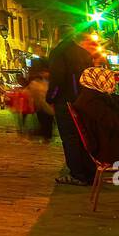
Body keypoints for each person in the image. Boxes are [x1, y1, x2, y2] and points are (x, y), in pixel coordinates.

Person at [46, 25, 99, 186]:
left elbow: (57, 79)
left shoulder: (59, 53)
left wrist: (51, 98)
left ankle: (77, 174)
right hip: (83, 100)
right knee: (84, 136)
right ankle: (90, 171)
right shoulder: (83, 54)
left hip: (66, 101)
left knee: (70, 138)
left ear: (58, 34)